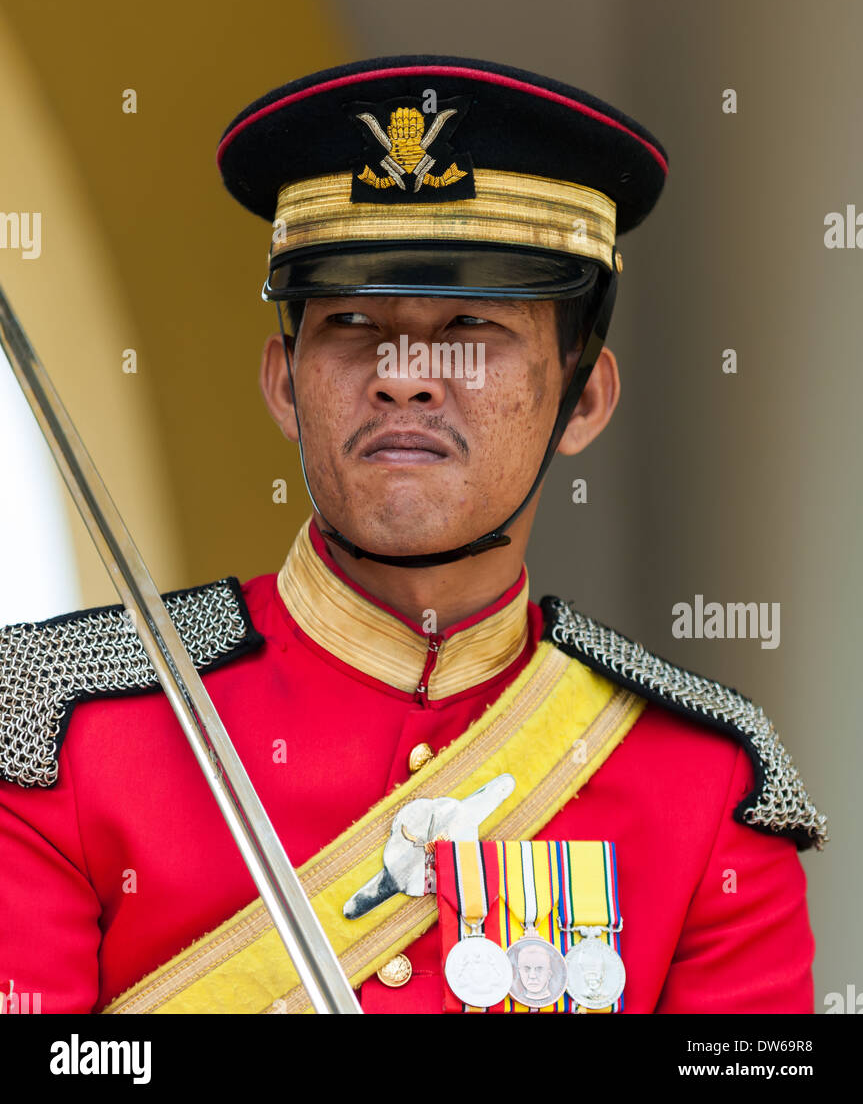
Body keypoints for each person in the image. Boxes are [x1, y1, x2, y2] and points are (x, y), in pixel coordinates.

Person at [0, 55, 827, 1016]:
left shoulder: (709, 781)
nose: (404, 374)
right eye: (351, 321)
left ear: (584, 398)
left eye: (470, 324)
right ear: (283, 385)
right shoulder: (57, 730)